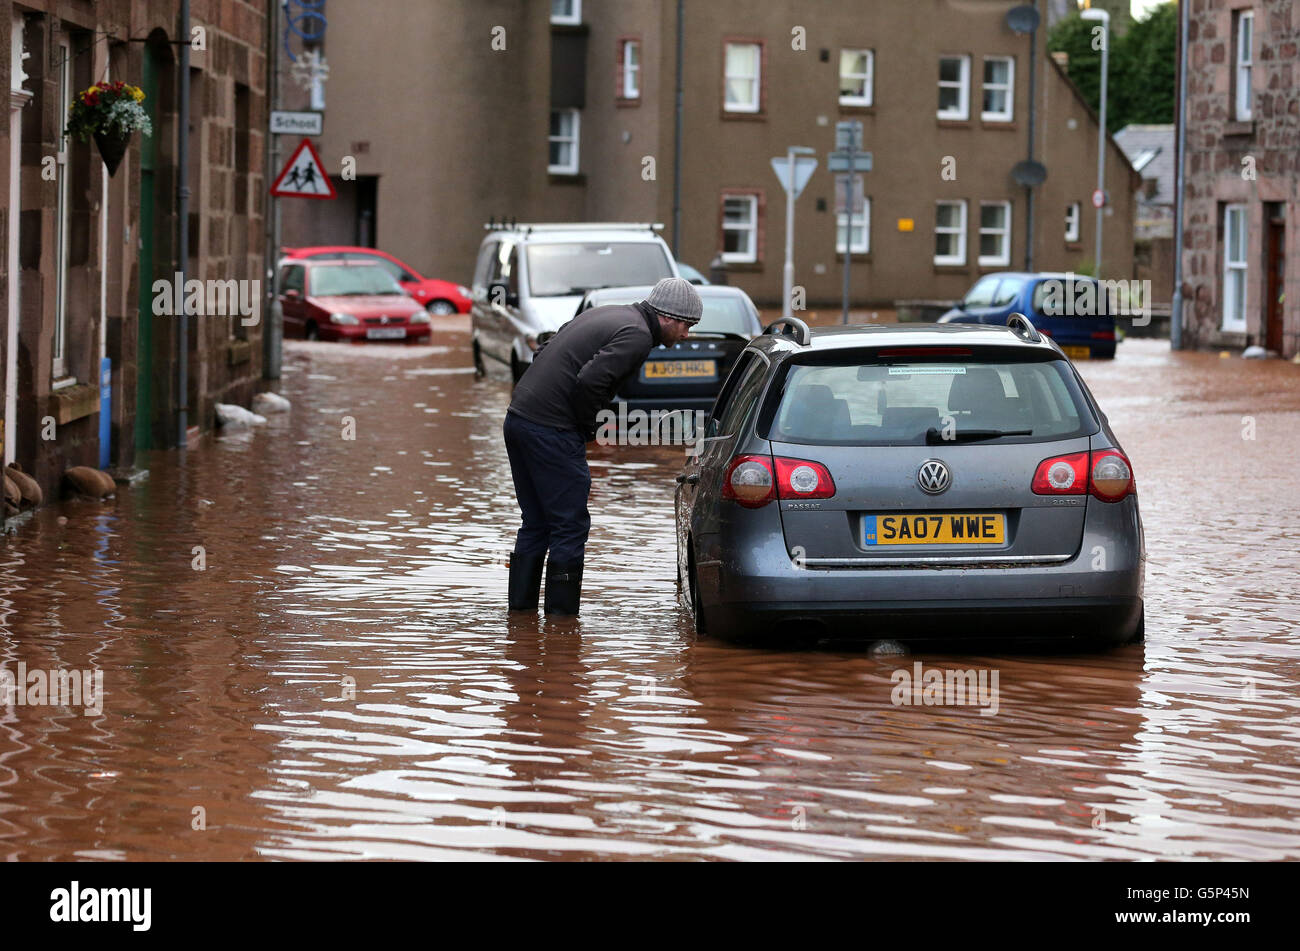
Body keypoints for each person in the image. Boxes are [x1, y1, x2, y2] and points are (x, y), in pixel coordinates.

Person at [504, 277, 703, 616]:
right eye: (686, 325)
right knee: (570, 525)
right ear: (667, 317)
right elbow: (590, 382)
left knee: (536, 522)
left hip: (518, 419)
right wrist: (586, 428)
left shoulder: (608, 313)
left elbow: (542, 350)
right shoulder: (638, 335)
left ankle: (521, 623)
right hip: (550, 429)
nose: (686, 335)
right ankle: (562, 629)